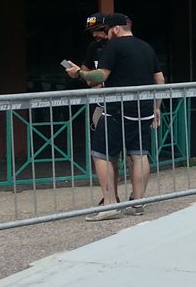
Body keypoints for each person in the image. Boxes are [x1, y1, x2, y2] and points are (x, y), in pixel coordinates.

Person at [65, 14, 165, 221]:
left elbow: (100, 76)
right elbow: (160, 78)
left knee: (101, 154)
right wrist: (156, 107)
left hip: (116, 109)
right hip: (143, 108)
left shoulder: (114, 46)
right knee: (139, 154)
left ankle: (110, 204)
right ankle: (138, 203)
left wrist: (79, 74)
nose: (104, 34)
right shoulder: (146, 47)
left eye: (107, 29)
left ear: (116, 29)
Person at [66, 13, 117, 207]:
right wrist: (79, 73)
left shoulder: (117, 46)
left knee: (131, 153)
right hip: (100, 103)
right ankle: (111, 197)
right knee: (103, 152)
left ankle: (135, 198)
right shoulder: (93, 48)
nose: (95, 35)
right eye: (91, 31)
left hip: (119, 103)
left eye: (97, 30)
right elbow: (88, 75)